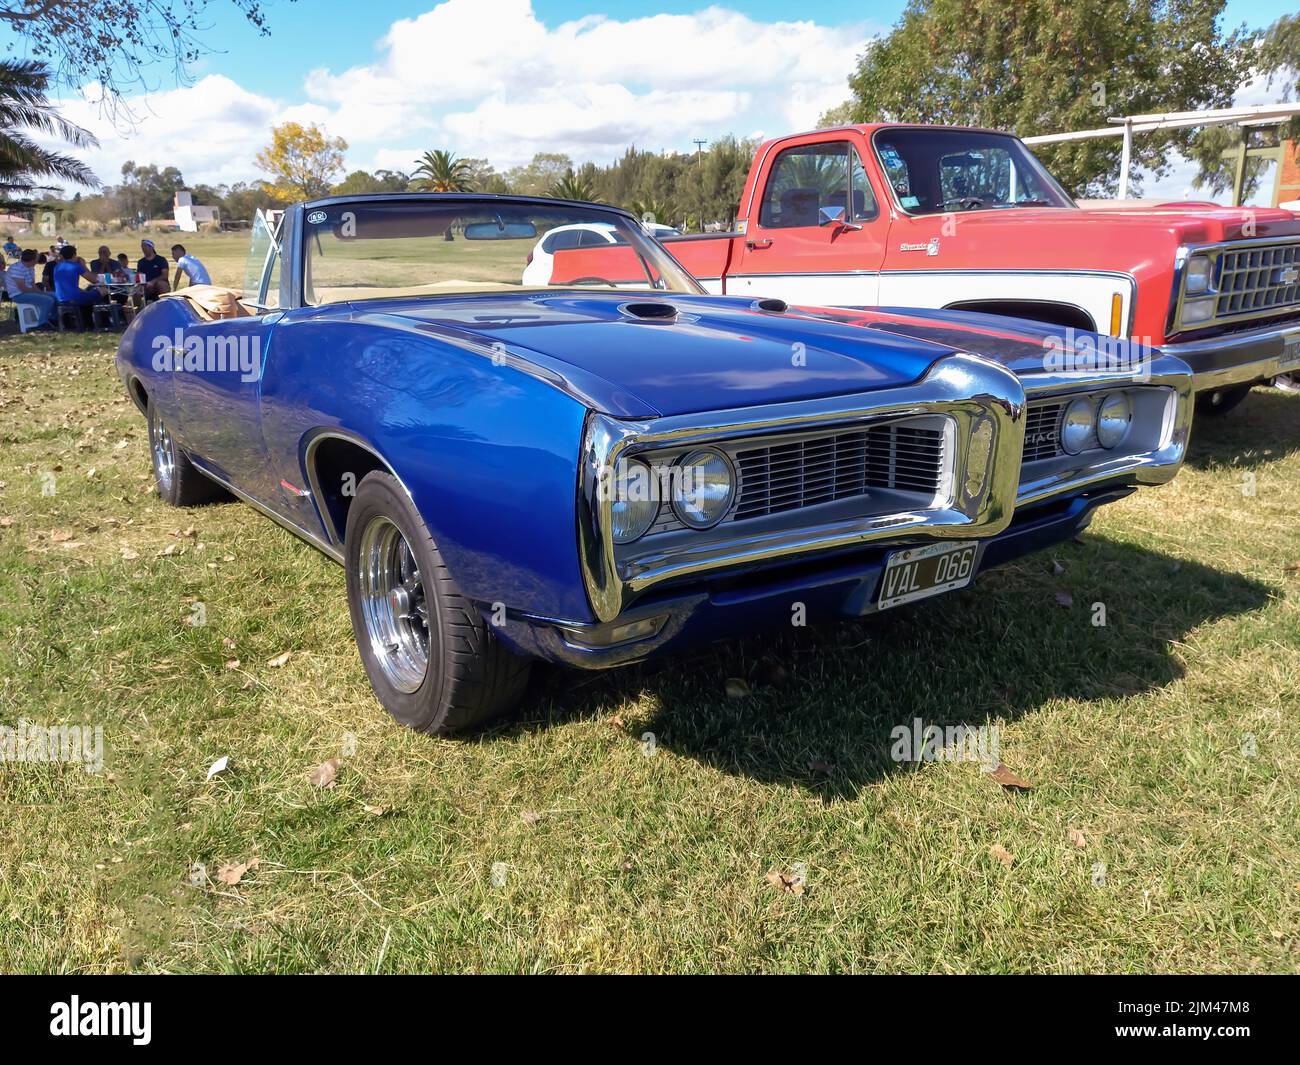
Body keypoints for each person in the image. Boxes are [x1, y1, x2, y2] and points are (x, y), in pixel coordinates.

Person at [53, 244, 108, 327]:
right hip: (74, 299)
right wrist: (83, 265)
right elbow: (93, 280)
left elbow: (68, 284)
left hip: (60, 298)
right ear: (74, 255)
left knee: (88, 294)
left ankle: (87, 322)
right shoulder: (76, 266)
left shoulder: (57, 266)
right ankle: (105, 321)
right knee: (104, 290)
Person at [5, 249, 55, 327]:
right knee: (48, 300)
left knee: (55, 295)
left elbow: (33, 285)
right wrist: (41, 293)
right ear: (32, 260)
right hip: (18, 295)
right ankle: (42, 324)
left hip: (28, 292)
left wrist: (41, 292)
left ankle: (54, 319)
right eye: (36, 257)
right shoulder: (16, 268)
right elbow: (23, 289)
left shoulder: (30, 268)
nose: (38, 259)